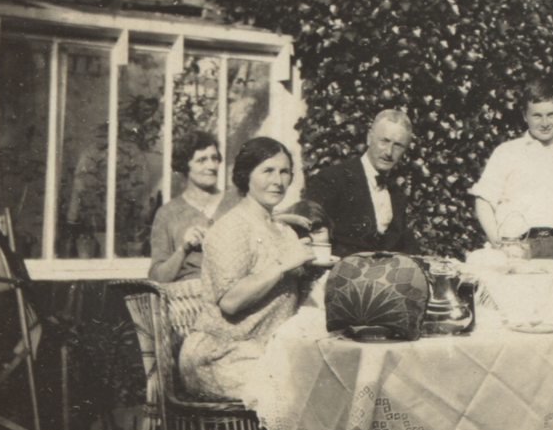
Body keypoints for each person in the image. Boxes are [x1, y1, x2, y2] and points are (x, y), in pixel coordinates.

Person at [178, 137, 316, 401]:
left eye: (284, 171)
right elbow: (230, 301)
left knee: (328, 380)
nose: (278, 180)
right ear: (246, 176)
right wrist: (285, 263)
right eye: (268, 171)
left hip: (269, 352)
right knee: (299, 394)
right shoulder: (231, 227)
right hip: (221, 357)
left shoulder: (285, 231)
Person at [470, 76, 553, 261]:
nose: (544, 123)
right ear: (524, 115)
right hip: (515, 244)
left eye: (551, 114)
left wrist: (550, 217)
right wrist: (498, 244)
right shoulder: (507, 152)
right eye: (537, 115)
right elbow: (483, 201)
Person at [302, 110, 420, 258]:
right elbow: (310, 240)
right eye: (384, 141)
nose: (389, 152)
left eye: (398, 145)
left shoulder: (397, 195)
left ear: (405, 149)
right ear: (369, 138)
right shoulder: (331, 179)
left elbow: (408, 248)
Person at [148, 131, 238, 283]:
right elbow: (158, 277)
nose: (211, 166)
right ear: (184, 165)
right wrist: (183, 249)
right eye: (201, 160)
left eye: (214, 158)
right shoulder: (167, 214)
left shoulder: (237, 202)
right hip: (189, 302)